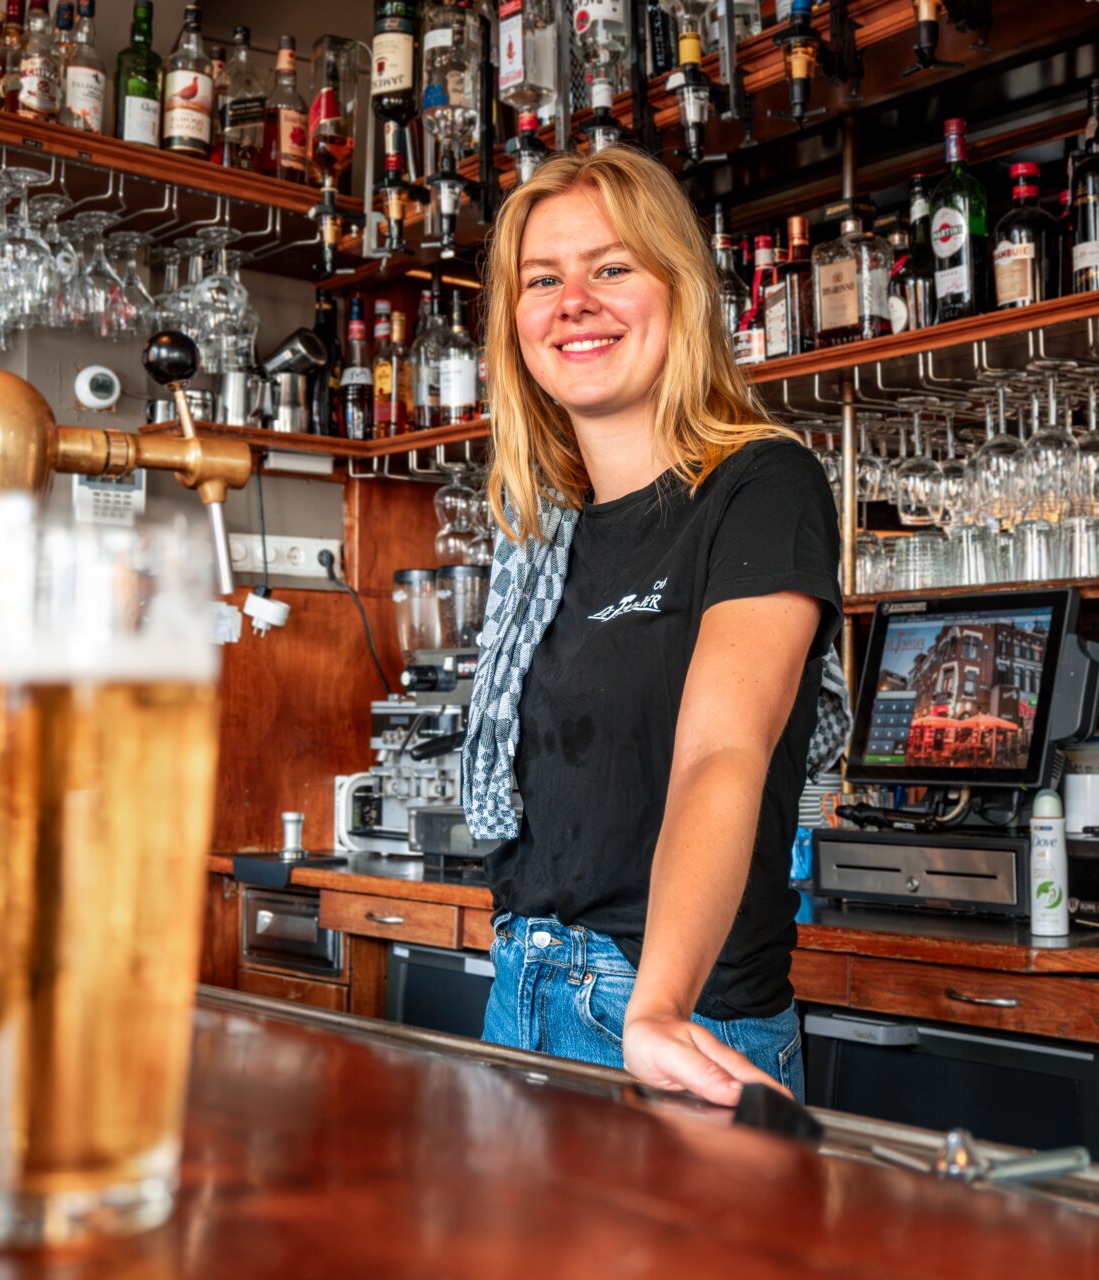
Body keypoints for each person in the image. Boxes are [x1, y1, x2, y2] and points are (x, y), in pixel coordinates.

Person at [462, 146, 844, 1106]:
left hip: (676, 1016)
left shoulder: (761, 484)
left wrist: (657, 1008)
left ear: (681, 292)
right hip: (522, 998)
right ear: (516, 323)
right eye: (542, 278)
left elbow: (723, 751)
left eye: (612, 268)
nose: (573, 301)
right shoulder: (536, 531)